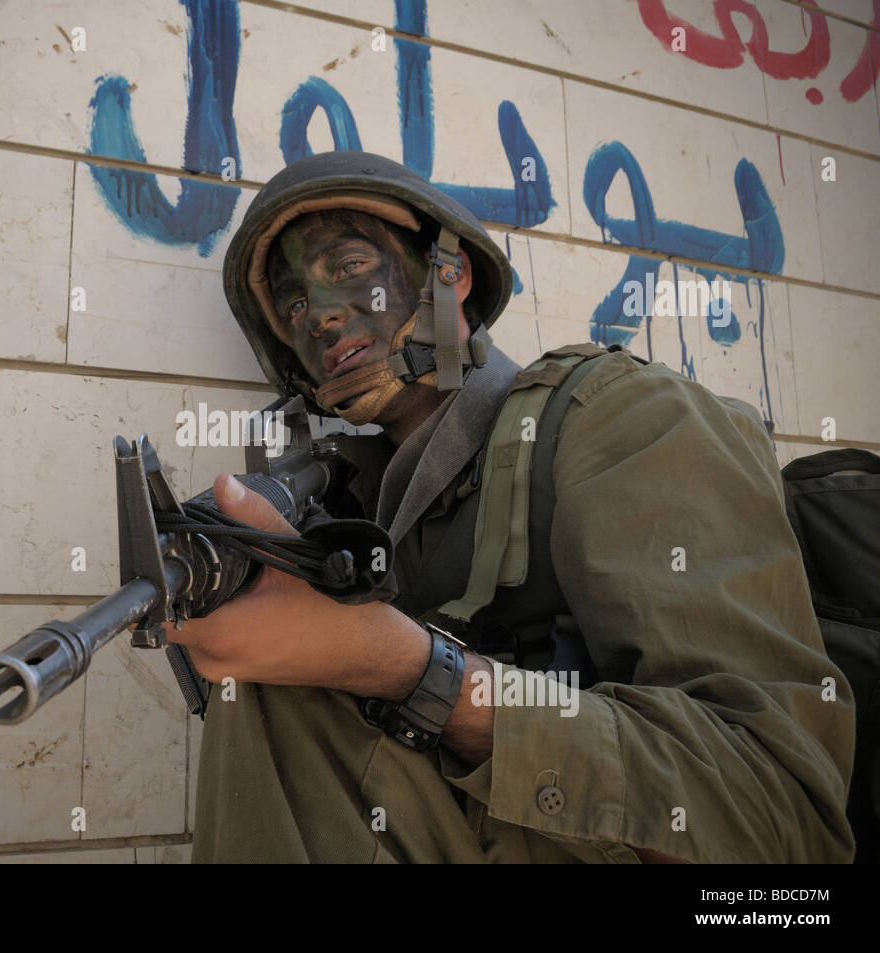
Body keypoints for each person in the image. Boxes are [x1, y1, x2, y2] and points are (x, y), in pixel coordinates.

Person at [166, 151, 855, 863]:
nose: (323, 317)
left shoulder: (619, 415)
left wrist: (412, 672)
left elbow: (783, 811)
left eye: (346, 270)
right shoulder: (364, 511)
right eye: (294, 306)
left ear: (449, 274)